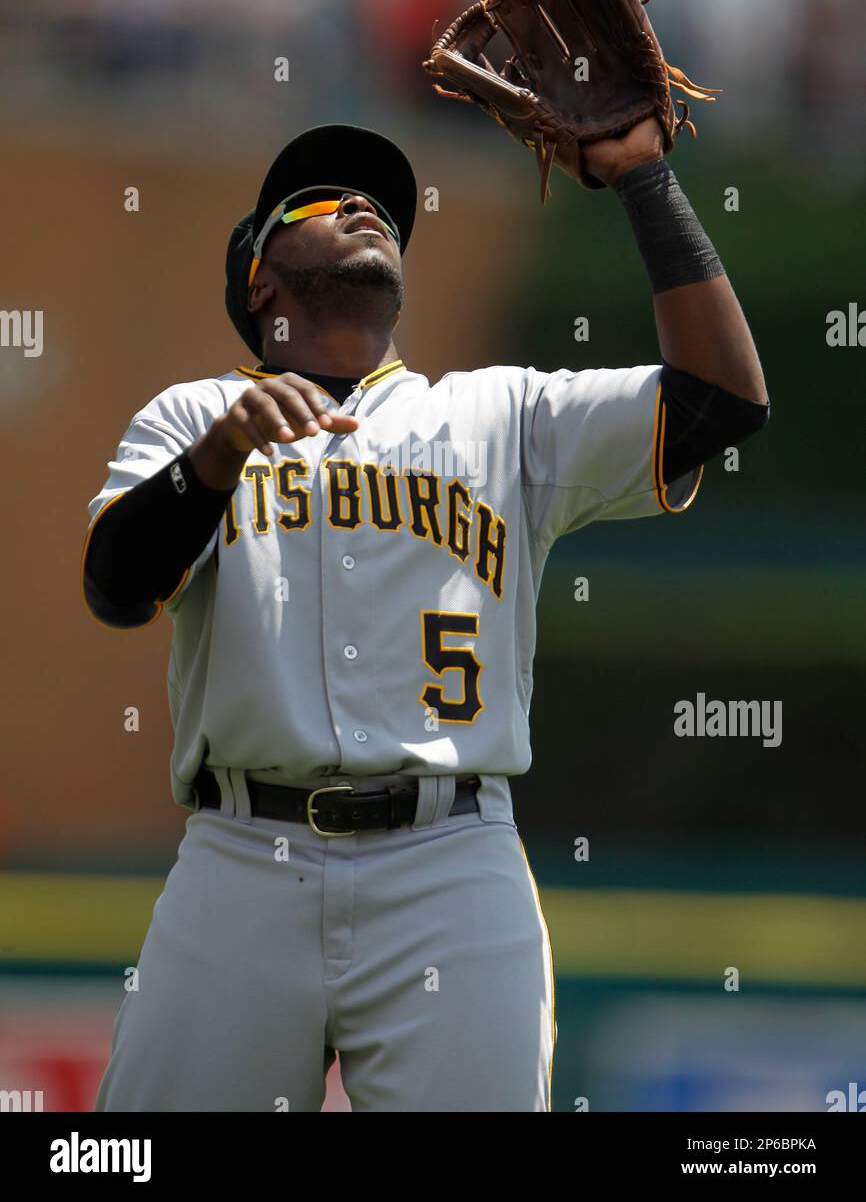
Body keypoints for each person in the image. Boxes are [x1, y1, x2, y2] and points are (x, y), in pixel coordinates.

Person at [83, 120, 768, 1113]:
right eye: (320, 201)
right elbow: (115, 587)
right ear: (259, 282)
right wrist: (219, 456)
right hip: (241, 858)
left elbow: (721, 402)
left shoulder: (499, 414)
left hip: (448, 863)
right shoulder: (193, 417)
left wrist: (642, 176)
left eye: (380, 207)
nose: (362, 206)